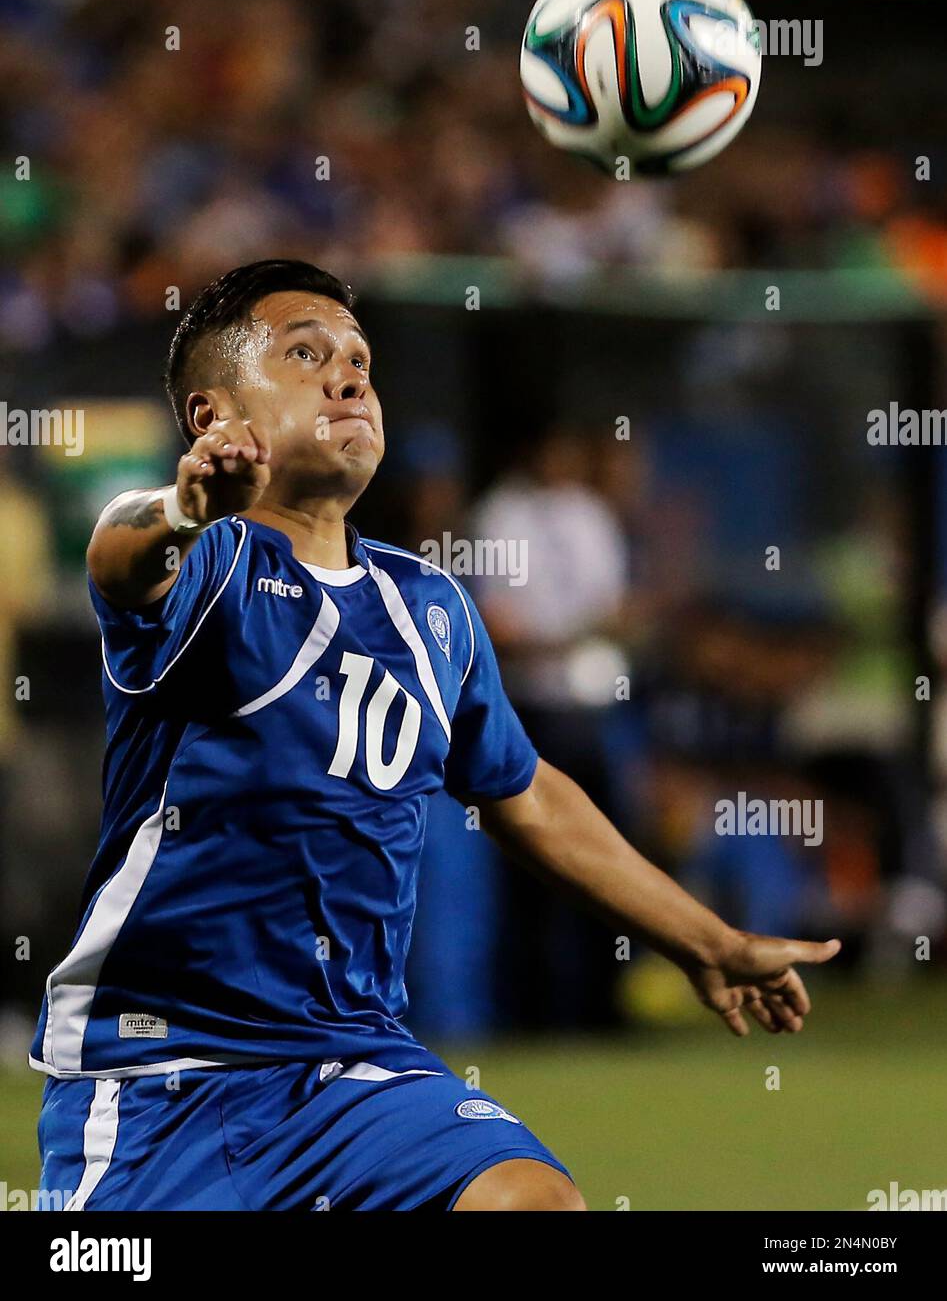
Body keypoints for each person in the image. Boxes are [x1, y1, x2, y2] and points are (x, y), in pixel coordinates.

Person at [31, 259, 839, 1212]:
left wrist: (704, 940)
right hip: (162, 1073)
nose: (348, 377)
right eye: (305, 354)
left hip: (354, 1068)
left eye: (359, 359)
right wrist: (182, 507)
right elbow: (120, 554)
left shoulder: (431, 610)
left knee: (529, 1200)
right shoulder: (210, 565)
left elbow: (526, 794)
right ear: (213, 418)